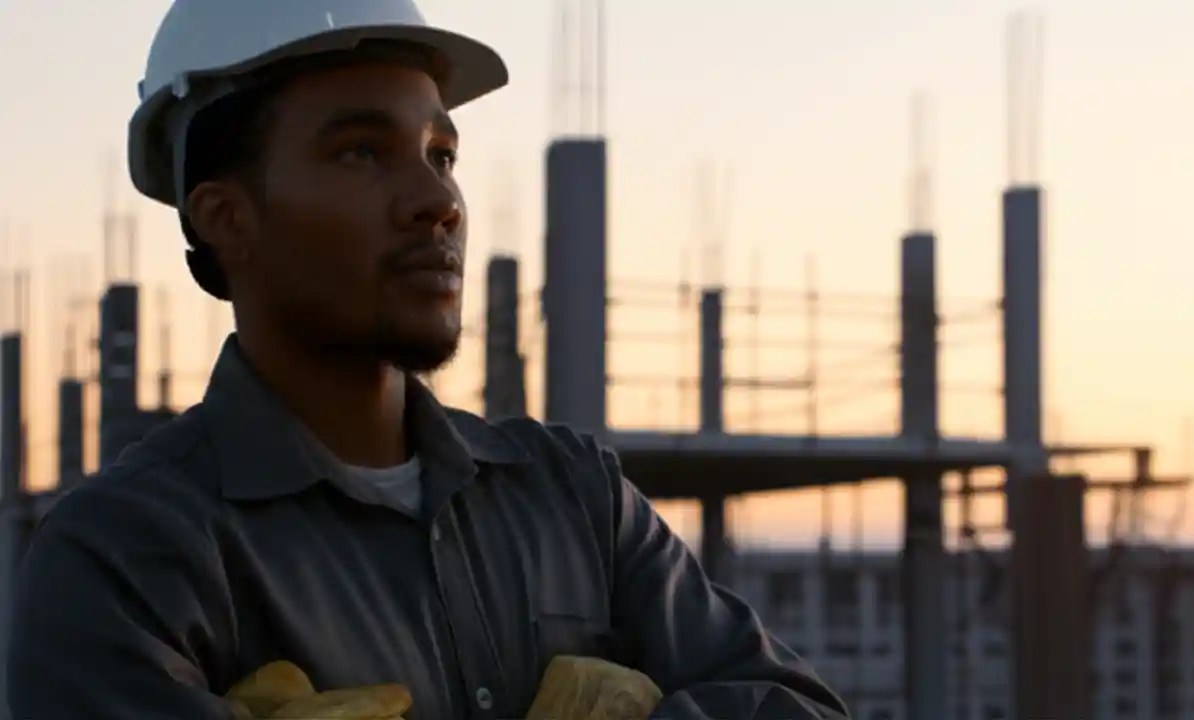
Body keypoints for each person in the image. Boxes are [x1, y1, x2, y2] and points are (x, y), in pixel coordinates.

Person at [7, 1, 850, 718]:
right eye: (361, 152)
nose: (437, 201)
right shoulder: (128, 556)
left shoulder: (574, 498)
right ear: (227, 218)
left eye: (441, 156)